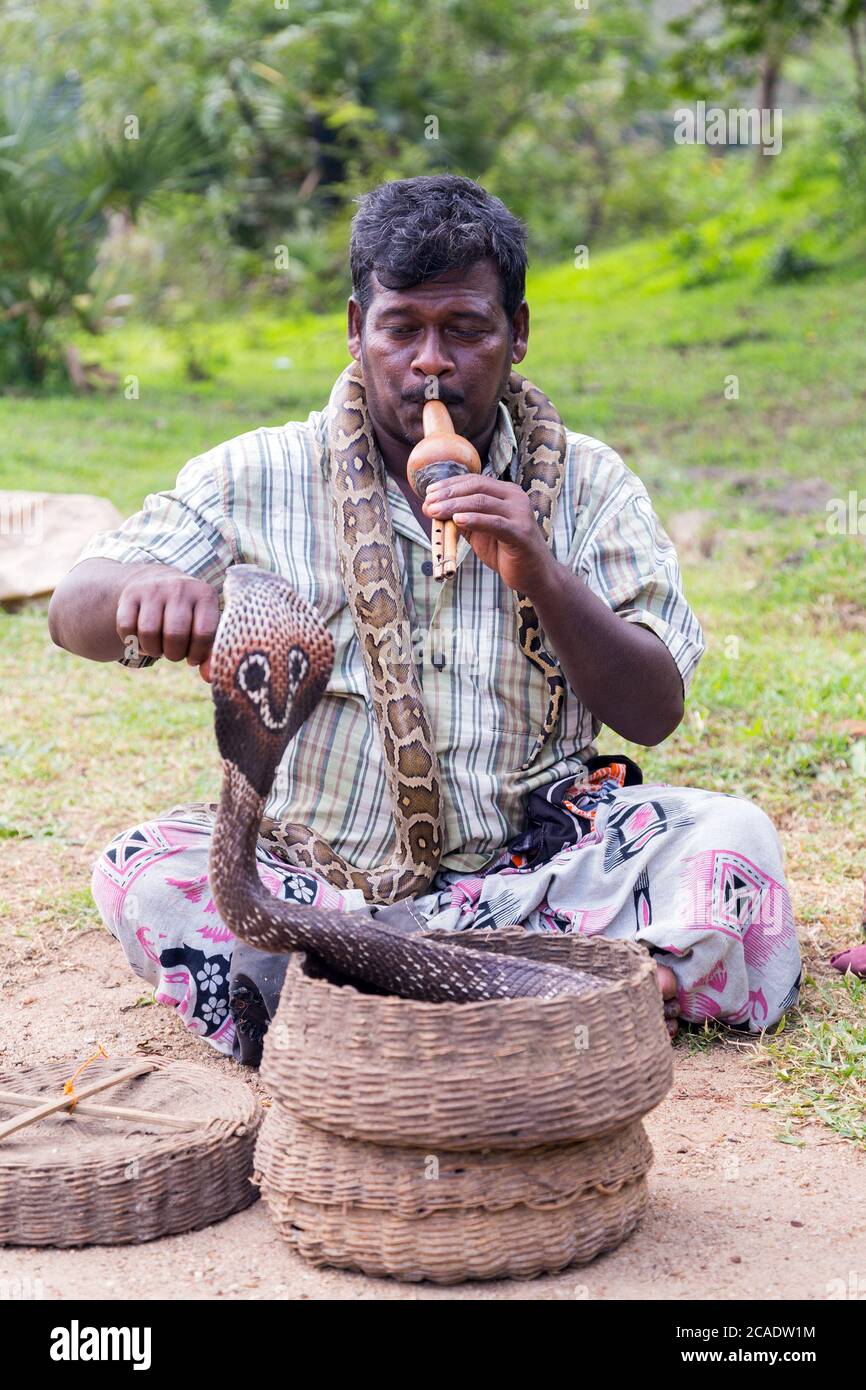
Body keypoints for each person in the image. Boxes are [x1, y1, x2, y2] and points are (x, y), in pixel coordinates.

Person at [48, 174, 801, 1062]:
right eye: (401, 329)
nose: (431, 362)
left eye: (466, 330)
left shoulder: (590, 484)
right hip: (320, 886)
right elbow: (73, 609)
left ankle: (357, 1015)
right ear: (356, 330)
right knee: (142, 869)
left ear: (517, 334)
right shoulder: (255, 474)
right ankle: (567, 1006)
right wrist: (140, 594)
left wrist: (543, 576)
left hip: (538, 876)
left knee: (732, 841)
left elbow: (654, 712)